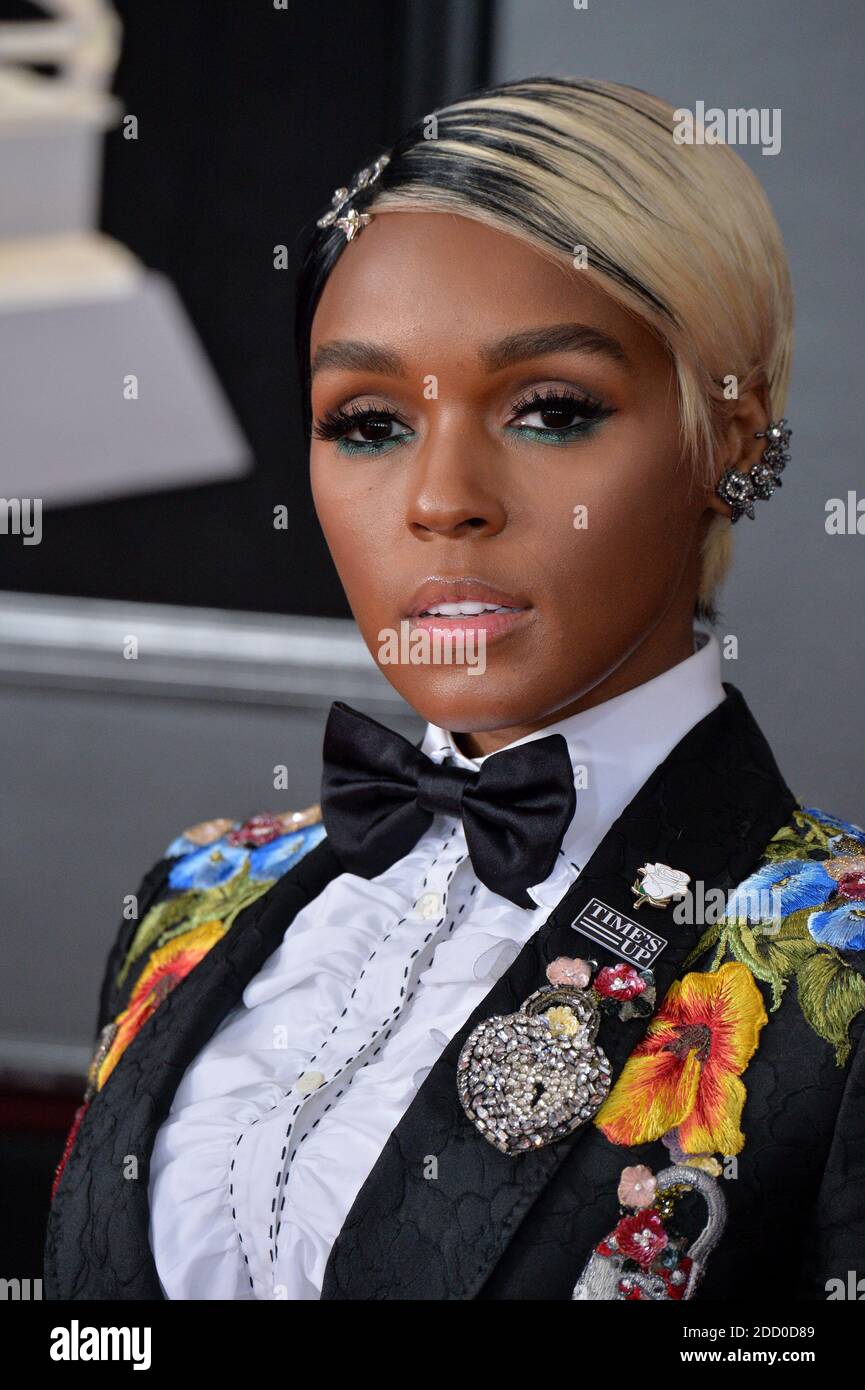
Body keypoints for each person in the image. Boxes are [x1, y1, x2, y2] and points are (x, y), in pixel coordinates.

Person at [45, 76, 864, 1302]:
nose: (440, 499)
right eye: (368, 422)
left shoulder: (839, 962)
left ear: (728, 436)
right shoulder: (197, 892)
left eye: (547, 410)